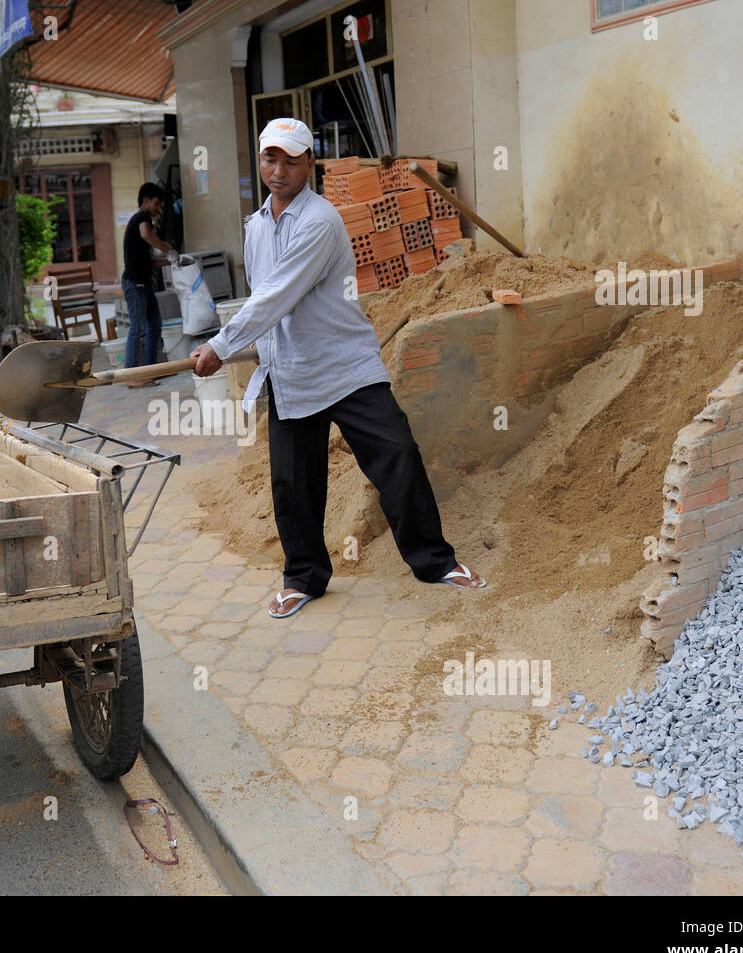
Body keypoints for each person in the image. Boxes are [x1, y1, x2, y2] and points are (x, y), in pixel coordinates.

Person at [190, 118, 486, 619]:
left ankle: (434, 562)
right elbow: (265, 297)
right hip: (292, 371)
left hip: (344, 365)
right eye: (270, 159)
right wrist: (253, 345)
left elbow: (279, 292)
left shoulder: (320, 220)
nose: (279, 170)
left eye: (290, 160)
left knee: (397, 455)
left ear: (311, 164)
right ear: (260, 160)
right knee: (292, 481)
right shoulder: (258, 224)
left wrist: (222, 343)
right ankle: (304, 577)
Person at [121, 182, 175, 388]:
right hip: (135, 285)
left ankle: (150, 371)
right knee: (138, 329)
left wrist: (170, 261)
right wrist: (167, 249)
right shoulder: (141, 218)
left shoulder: (142, 222)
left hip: (144, 284)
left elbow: (149, 261)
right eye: (156, 203)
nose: (158, 207)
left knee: (154, 326)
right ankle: (131, 375)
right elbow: (146, 234)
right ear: (145, 201)